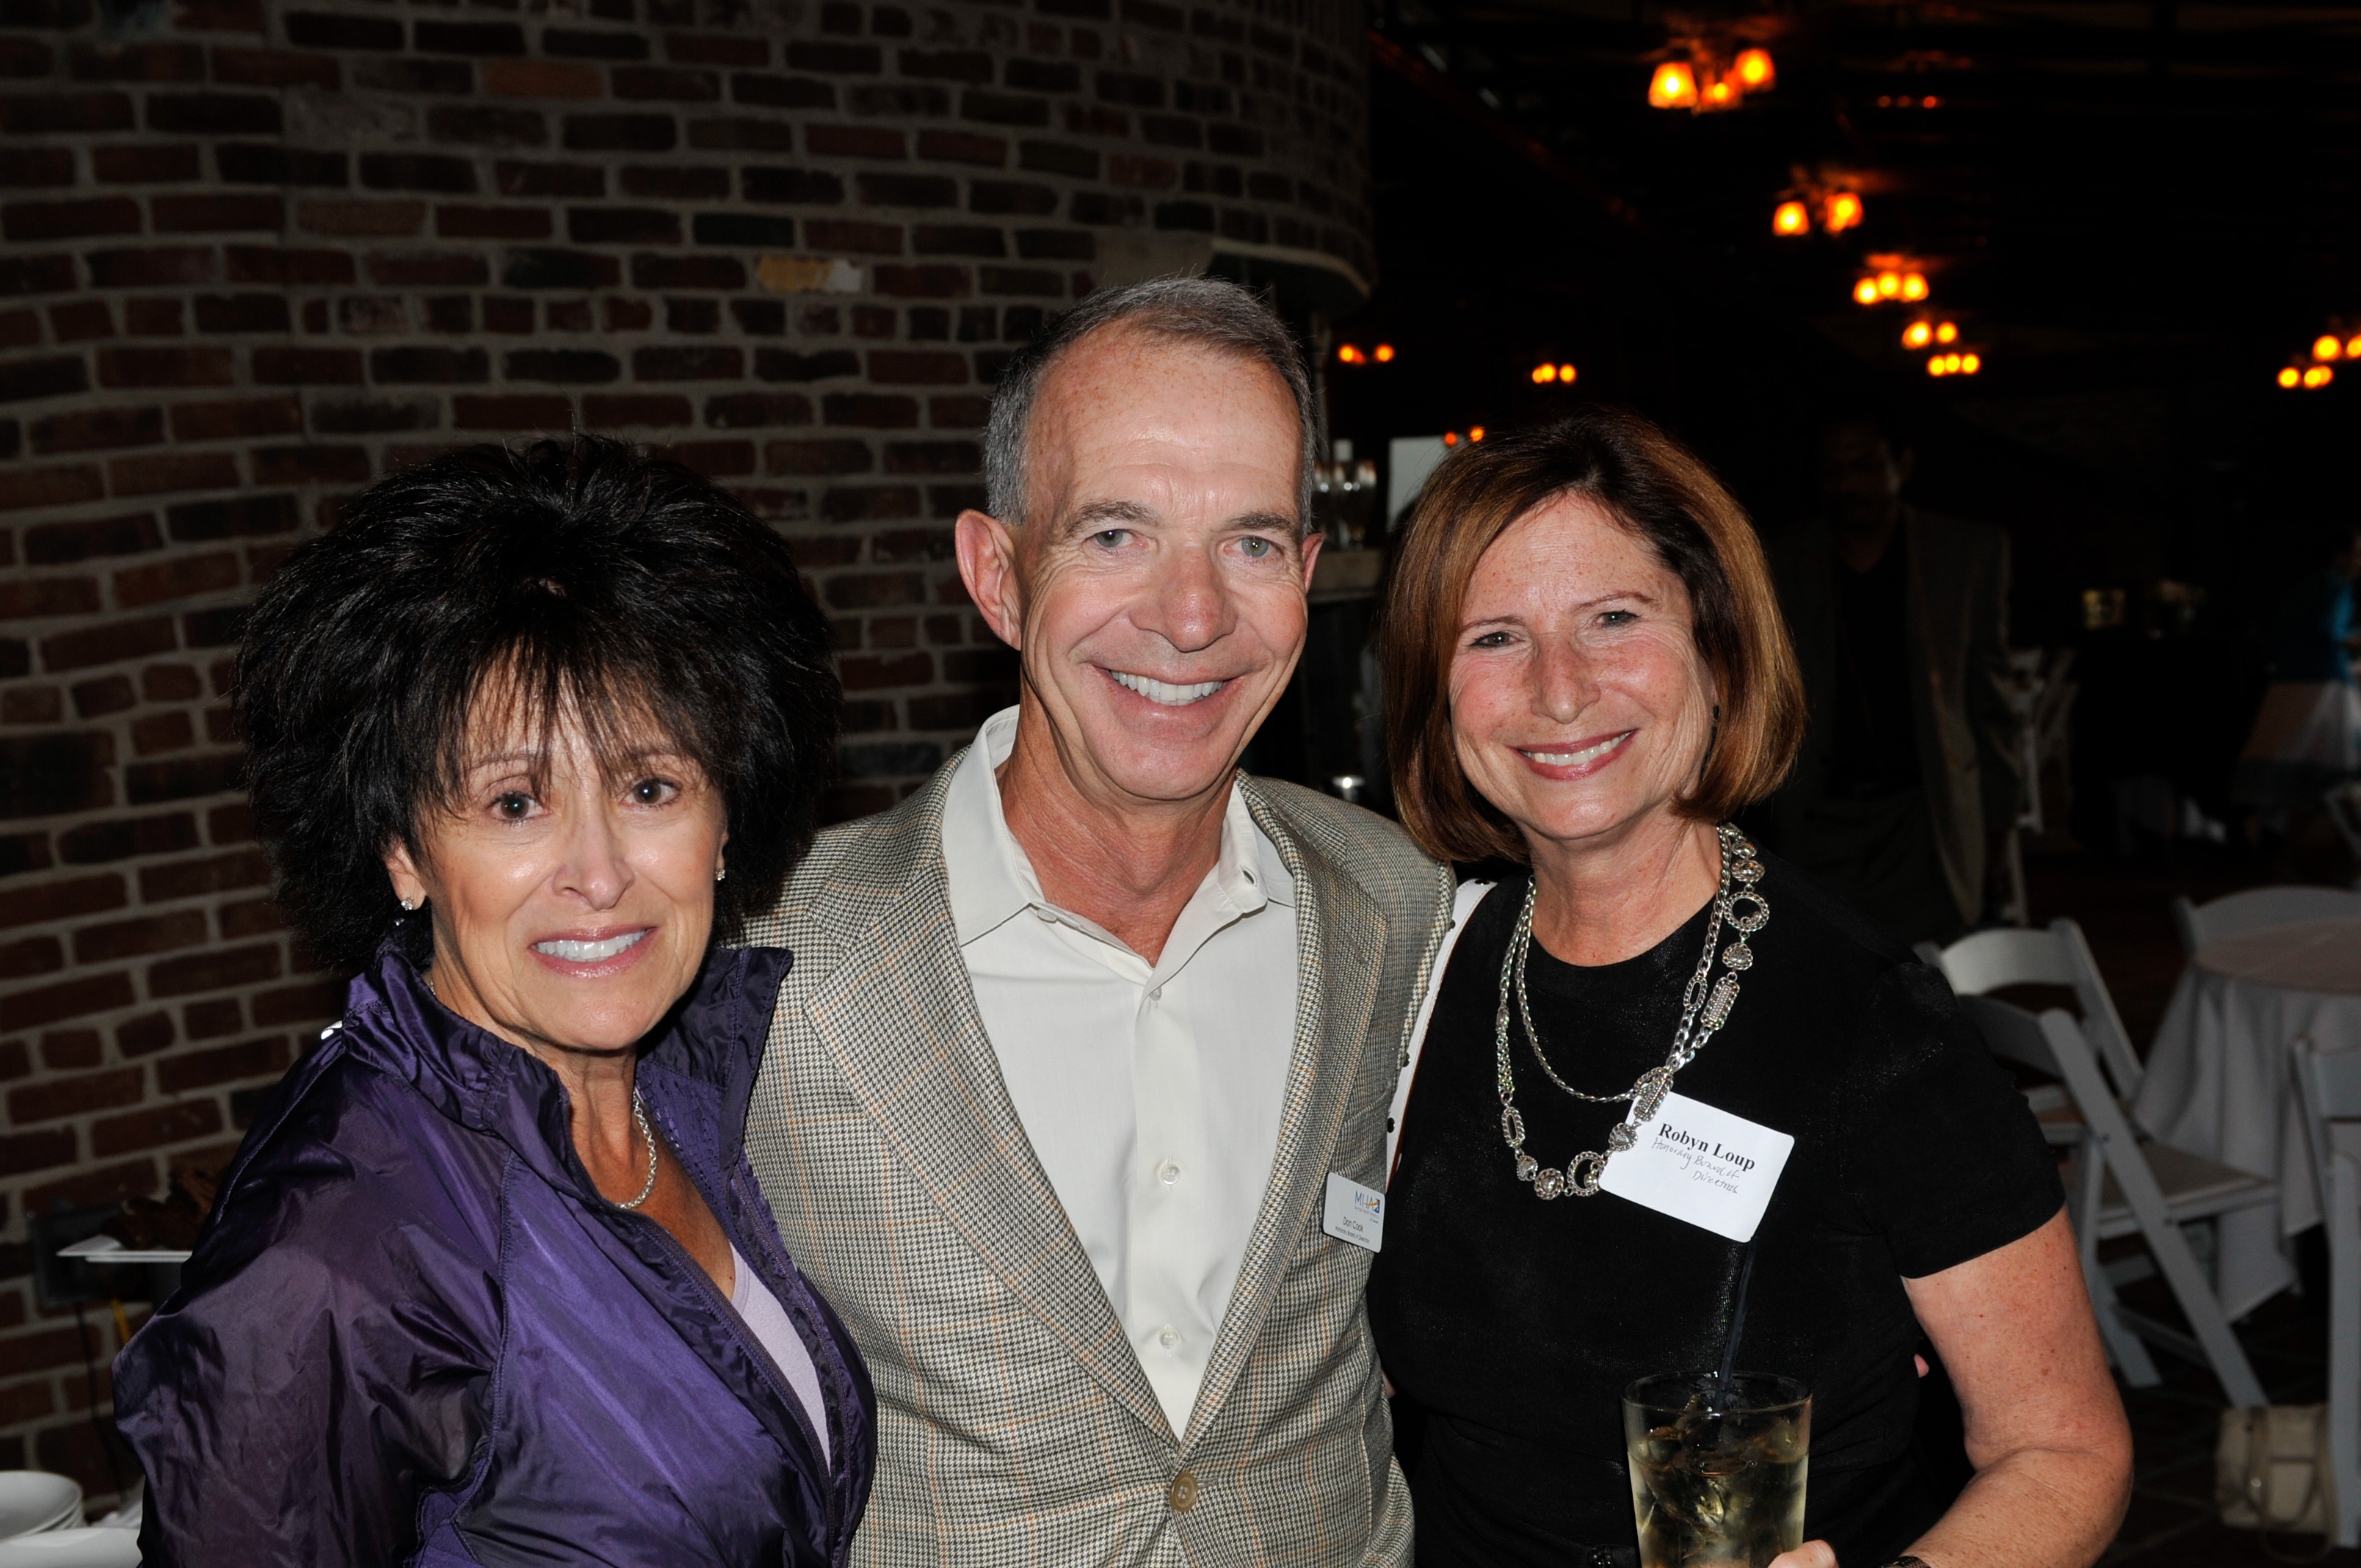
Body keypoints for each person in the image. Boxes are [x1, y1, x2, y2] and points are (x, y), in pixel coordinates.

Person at [741, 276, 1454, 1565]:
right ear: (998, 575)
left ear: (1304, 575)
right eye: (1115, 533)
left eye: (1247, 542)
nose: (1190, 617)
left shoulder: (1395, 903)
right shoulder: (771, 963)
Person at [1366, 411, 2132, 1568]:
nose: (1560, 691)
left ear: (1718, 653)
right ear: (1435, 692)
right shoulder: (1420, 970)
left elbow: (2066, 1450)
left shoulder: (1873, 1023)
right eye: (1494, 639)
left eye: (1614, 620)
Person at [114, 438, 875, 1566]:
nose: (600, 870)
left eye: (650, 786)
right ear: (404, 853)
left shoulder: (693, 1095)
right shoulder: (337, 1247)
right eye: (515, 802)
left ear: (725, 822)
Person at [1759, 415, 2020, 945]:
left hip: (1925, 818)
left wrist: (1996, 838)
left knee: (1933, 987)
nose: (1846, 485)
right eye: (1831, 470)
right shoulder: (1778, 560)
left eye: (1863, 466)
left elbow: (1989, 706)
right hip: (1818, 817)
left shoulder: (1964, 555)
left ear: (1901, 465)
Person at [2233, 523, 2361, 823]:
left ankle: (2290, 850)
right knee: (2334, 775)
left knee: (2287, 768)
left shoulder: (2297, 592)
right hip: (2325, 684)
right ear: (2341, 555)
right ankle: (2332, 854)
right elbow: (2330, 633)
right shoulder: (2337, 587)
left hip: (2286, 686)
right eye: (2358, 553)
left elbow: (2277, 642)